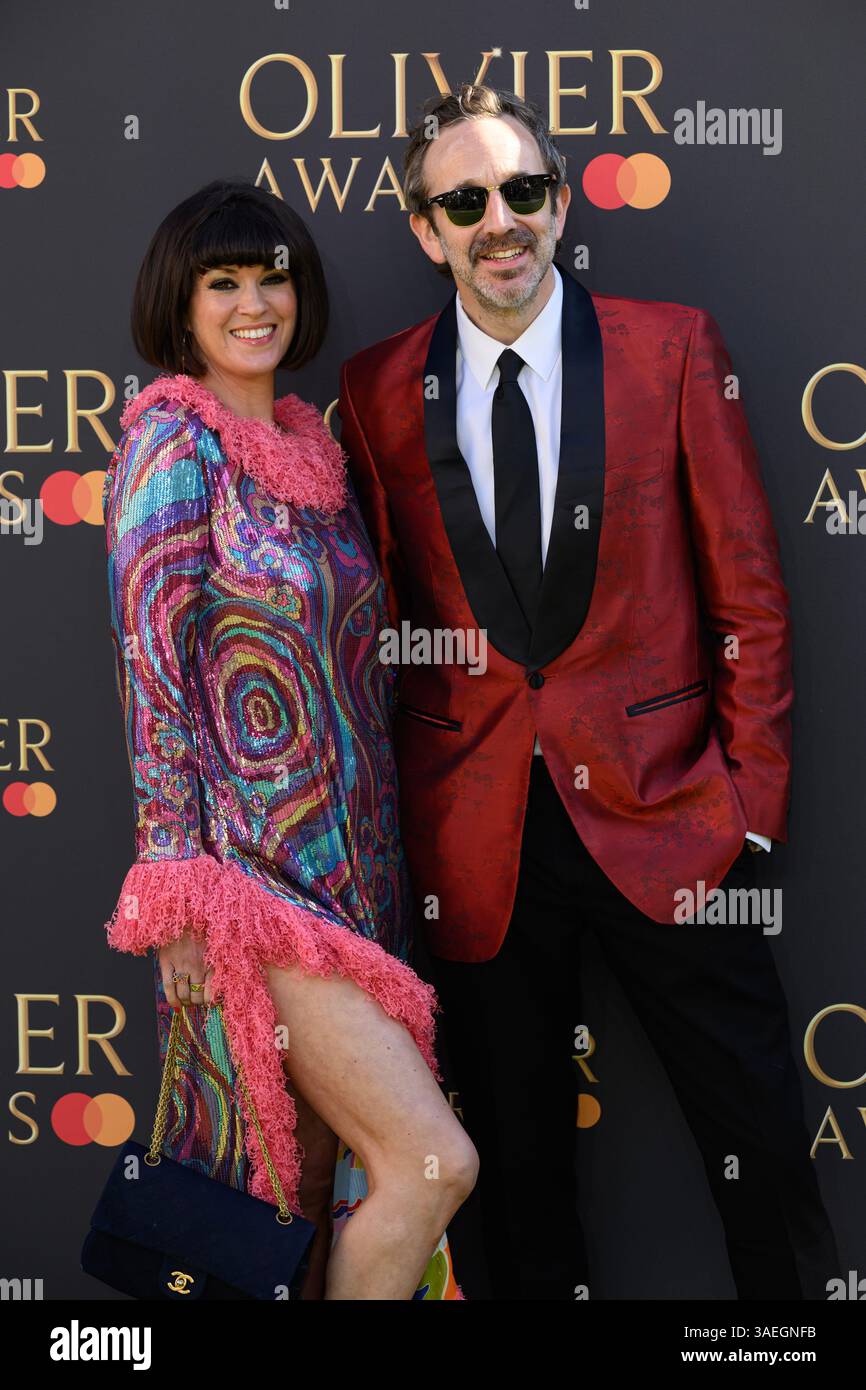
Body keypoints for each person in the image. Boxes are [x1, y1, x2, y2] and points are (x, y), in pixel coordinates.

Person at [337, 83, 841, 1300]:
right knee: (510, 1181)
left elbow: (748, 595)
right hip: (476, 841)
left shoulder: (672, 350)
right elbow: (389, 617)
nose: (498, 220)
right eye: (465, 200)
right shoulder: (373, 391)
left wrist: (747, 807)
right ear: (424, 228)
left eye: (521, 191)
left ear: (558, 203)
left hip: (671, 819)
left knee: (761, 1148)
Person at [101, 177, 475, 1300]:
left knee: (301, 1205)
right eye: (224, 282)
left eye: (272, 277)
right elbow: (152, 670)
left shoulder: (314, 449)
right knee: (427, 1162)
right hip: (252, 892)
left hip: (356, 883)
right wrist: (176, 883)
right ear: (182, 301)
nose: (254, 303)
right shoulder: (174, 441)